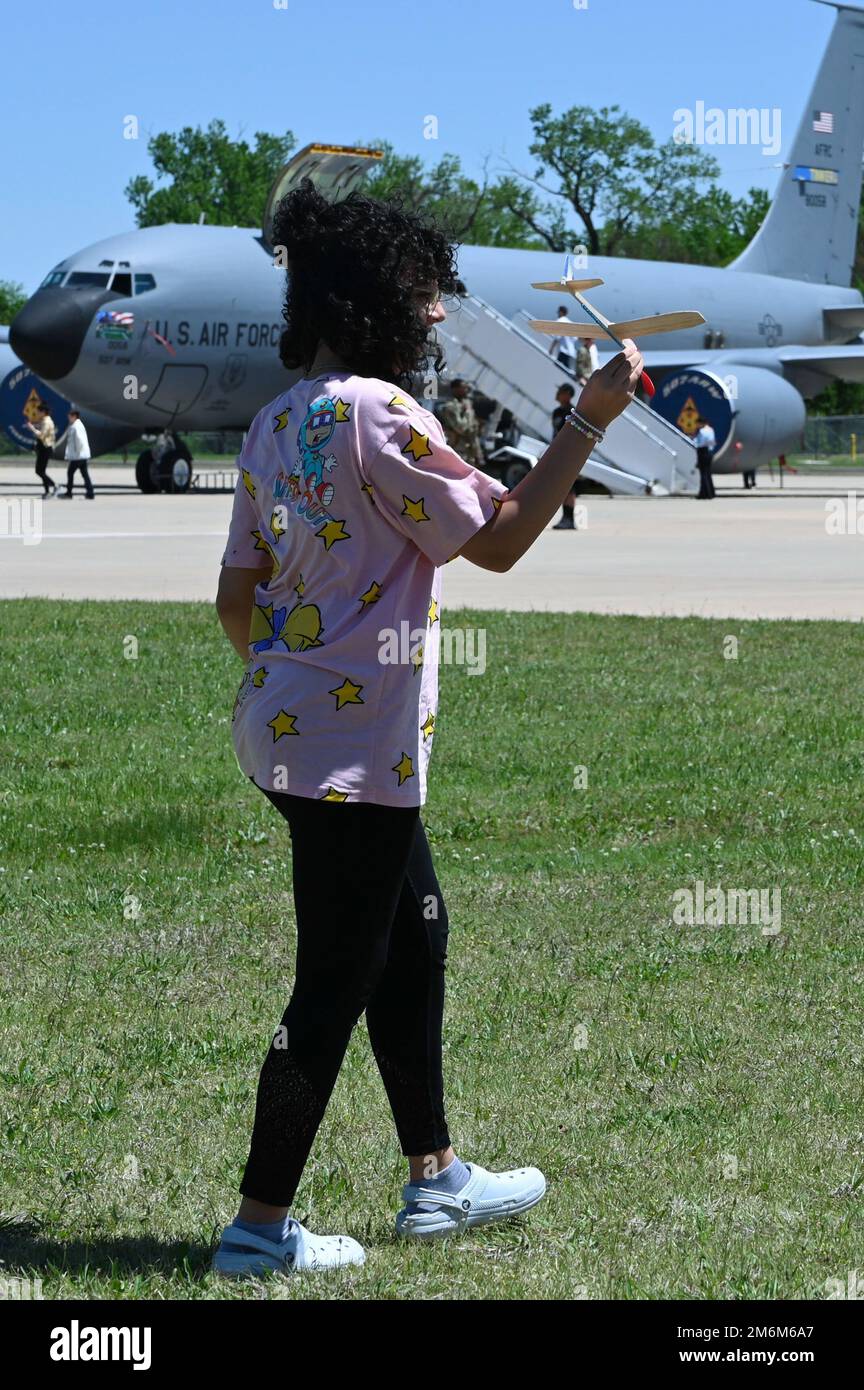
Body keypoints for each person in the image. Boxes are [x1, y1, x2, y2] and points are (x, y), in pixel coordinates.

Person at [213, 178, 643, 1277]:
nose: (441, 312)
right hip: (352, 756)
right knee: (333, 982)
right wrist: (588, 420)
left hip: (292, 736)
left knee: (416, 932)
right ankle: (259, 1228)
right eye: (426, 293)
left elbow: (234, 602)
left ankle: (437, 1177)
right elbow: (497, 540)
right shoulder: (380, 413)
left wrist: (300, 667)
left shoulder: (272, 422)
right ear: (376, 302)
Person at [551, 383, 581, 531]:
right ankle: (565, 518)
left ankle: (569, 519)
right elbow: (555, 434)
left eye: (561, 391)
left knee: (569, 487)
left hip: (570, 453)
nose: (557, 394)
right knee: (562, 488)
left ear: (568, 394)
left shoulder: (573, 411)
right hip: (558, 453)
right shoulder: (556, 412)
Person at [439, 377, 483, 466]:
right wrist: (466, 412)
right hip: (458, 450)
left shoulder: (466, 404)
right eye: (463, 387)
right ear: (455, 389)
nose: (466, 389)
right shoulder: (450, 407)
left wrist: (478, 453)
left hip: (469, 452)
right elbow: (461, 428)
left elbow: (473, 431)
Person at [56, 408, 94, 499]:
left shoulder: (75, 426)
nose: (69, 418)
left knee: (70, 473)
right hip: (82, 455)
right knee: (85, 474)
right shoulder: (79, 425)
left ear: (74, 416)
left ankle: (69, 493)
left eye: (70, 416)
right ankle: (90, 493)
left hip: (78, 456)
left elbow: (79, 440)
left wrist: (77, 452)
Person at [24, 404, 57, 496]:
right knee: (41, 471)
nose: (37, 414)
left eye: (38, 412)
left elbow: (42, 435)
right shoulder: (44, 421)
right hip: (43, 448)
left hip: (45, 448)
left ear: (43, 412)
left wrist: (32, 429)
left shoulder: (47, 422)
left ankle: (56, 486)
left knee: (39, 471)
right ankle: (47, 491)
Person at [547, 305, 579, 372]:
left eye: (558, 312)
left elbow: (557, 337)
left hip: (563, 351)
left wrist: (551, 349)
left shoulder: (560, 321)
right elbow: (575, 338)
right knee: (566, 369)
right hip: (571, 351)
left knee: (558, 368)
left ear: (561, 312)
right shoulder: (570, 322)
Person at [693, 416, 717, 499]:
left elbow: (699, 444)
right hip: (709, 452)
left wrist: (694, 440)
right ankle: (711, 492)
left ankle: (705, 494)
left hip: (703, 451)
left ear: (701, 423)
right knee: (708, 473)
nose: (697, 426)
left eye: (698, 424)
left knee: (703, 474)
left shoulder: (702, 431)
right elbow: (712, 442)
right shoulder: (711, 429)